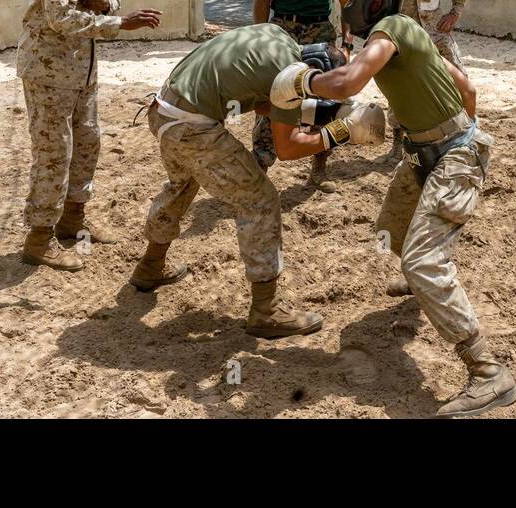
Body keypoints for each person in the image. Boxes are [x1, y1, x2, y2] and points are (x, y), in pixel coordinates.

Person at [269, 0, 516, 417]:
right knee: (393, 229)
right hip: (430, 150)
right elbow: (467, 87)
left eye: (348, 3)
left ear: (369, 4)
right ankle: (425, 286)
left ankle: (488, 373)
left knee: (422, 261)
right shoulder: (409, 32)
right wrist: (456, 130)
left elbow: (348, 83)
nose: (343, 10)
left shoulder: (391, 29)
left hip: (453, 154)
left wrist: (299, 83)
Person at [132, 24, 385, 338]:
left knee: (182, 183)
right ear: (313, 72)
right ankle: (266, 309)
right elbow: (289, 148)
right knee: (260, 198)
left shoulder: (276, 37)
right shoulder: (286, 77)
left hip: (163, 110)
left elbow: (263, 101)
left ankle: (150, 266)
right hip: (191, 127)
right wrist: (342, 132)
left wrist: (318, 112)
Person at [16, 0, 162, 272]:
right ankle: (38, 239)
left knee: (87, 144)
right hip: (49, 70)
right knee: (53, 153)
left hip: (83, 70)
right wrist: (119, 22)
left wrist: (102, 4)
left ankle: (72, 220)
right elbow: (61, 18)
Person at [251, 0, 349, 188]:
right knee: (273, 95)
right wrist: (260, 36)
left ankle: (319, 165)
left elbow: (347, 2)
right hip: (284, 28)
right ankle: (259, 166)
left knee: (324, 99)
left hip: (320, 28)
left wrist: (347, 44)